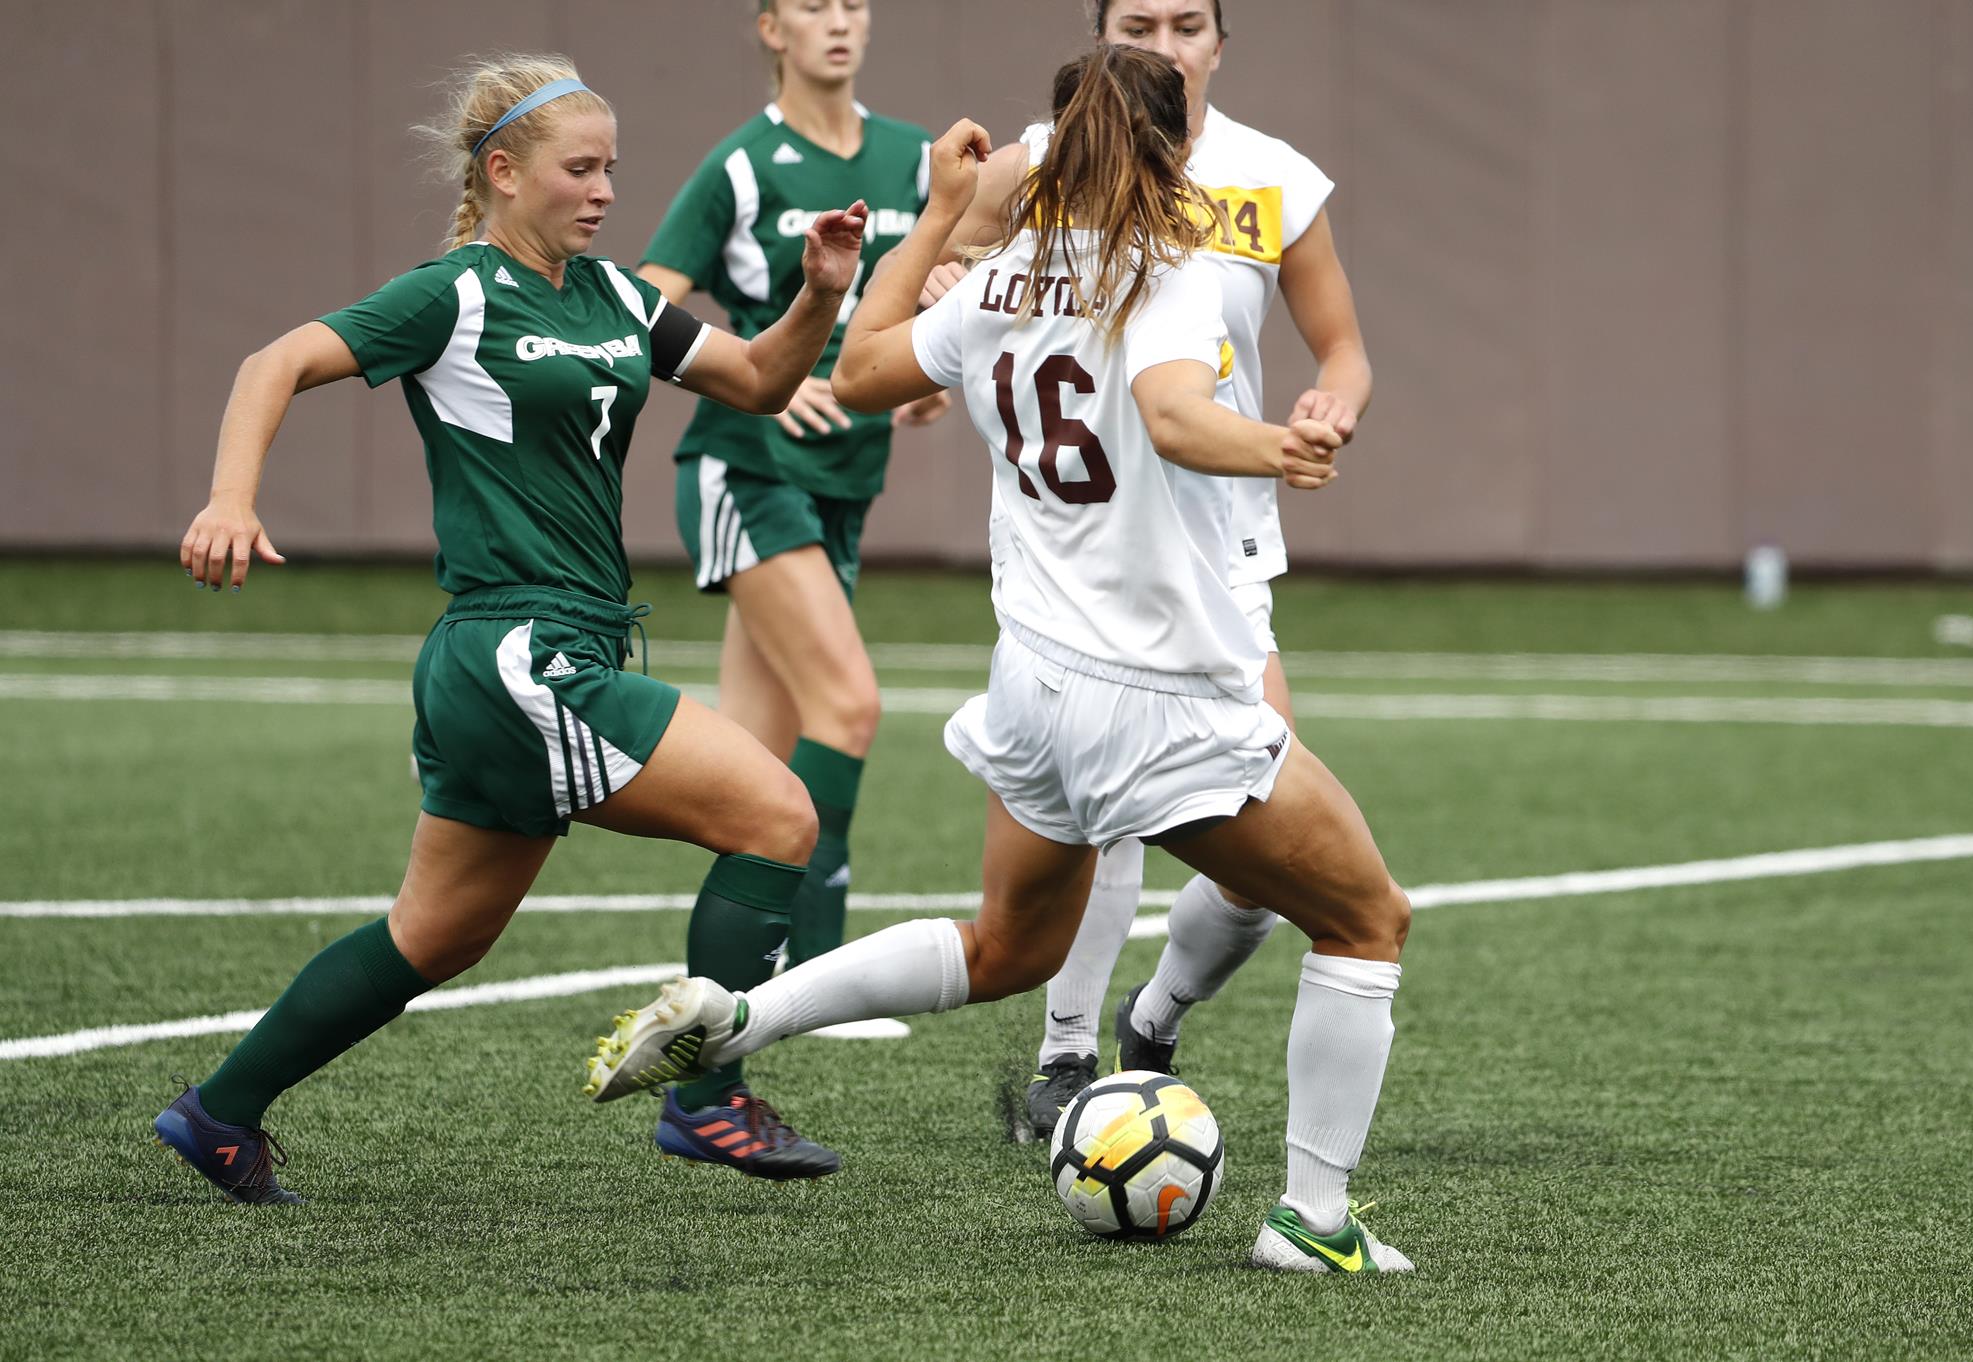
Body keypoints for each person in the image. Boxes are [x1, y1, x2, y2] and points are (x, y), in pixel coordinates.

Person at [586, 46, 1416, 1274]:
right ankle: (1313, 1222)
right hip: (1159, 702)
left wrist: (928, 221)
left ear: (1053, 149)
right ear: (1172, 150)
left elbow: (859, 367)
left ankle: (740, 1014)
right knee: (1364, 921)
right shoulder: (1169, 271)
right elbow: (1178, 415)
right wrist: (1271, 450)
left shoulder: (1002, 279)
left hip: (1032, 689)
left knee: (1006, 949)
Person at [155, 53, 870, 1203]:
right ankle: (704, 1100)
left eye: (610, 170)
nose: (601, 191)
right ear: (500, 172)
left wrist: (821, 292)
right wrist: (231, 498)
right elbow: (272, 361)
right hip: (515, 653)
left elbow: (754, 380)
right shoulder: (457, 292)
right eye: (577, 169)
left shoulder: (617, 296)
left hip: (543, 654)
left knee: (434, 937)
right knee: (777, 813)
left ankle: (220, 1112)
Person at [926, 0, 1374, 1134]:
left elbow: (1342, 347)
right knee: (1105, 817)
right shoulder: (1041, 157)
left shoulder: (1271, 177)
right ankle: (1065, 1058)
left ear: (1222, 43)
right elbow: (958, 284)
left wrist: (1330, 403)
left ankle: (1154, 1019)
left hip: (1223, 548)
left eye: (1186, 23)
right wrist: (940, 285)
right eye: (1138, 21)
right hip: (1086, 550)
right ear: (1098, 35)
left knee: (1259, 869)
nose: (1163, 43)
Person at [630, 0, 945, 1172]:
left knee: (755, 794)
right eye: (811, 4)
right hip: (744, 466)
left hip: (842, 484)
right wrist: (764, 374)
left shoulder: (911, 155)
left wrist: (913, 376)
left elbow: (925, 286)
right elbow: (642, 304)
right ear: (768, 27)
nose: (837, 23)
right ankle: (817, 969)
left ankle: (706, 1079)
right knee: (849, 707)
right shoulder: (738, 162)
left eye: (854, 3)